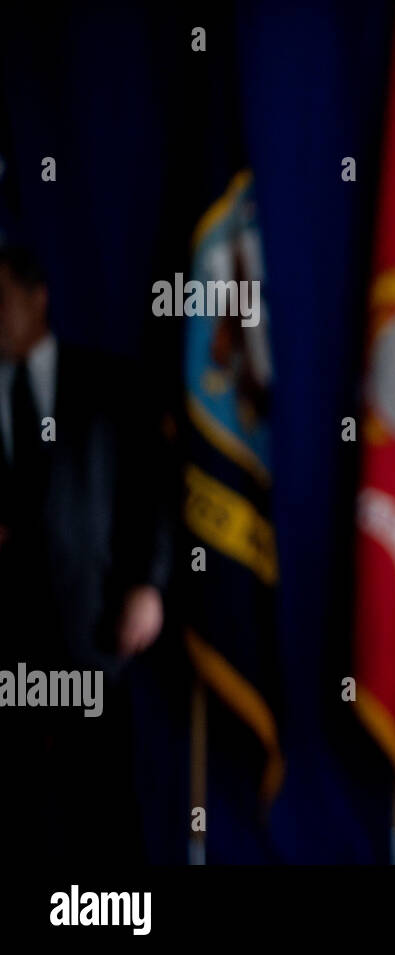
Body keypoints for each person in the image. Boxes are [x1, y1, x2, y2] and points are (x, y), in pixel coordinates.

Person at [0, 242, 175, 863]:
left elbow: (151, 494)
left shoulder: (108, 384)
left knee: (100, 813)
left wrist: (149, 585)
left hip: (94, 632)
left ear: (34, 297)